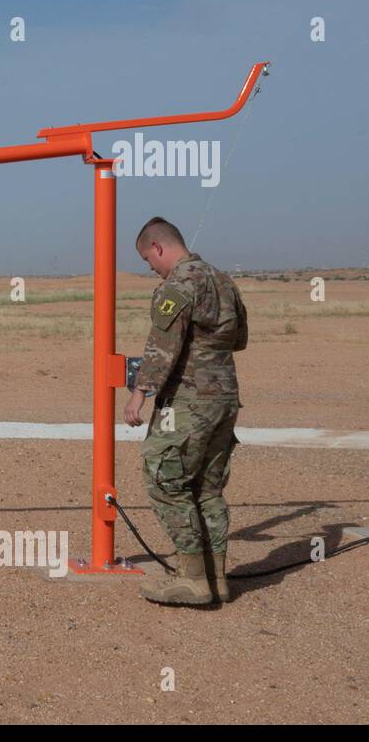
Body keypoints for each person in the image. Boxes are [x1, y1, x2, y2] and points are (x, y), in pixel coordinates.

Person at [123, 216, 248, 606]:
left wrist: (138, 395)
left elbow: (162, 347)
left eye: (148, 260)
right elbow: (240, 339)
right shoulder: (224, 281)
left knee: (164, 479)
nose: (151, 268)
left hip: (187, 401)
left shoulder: (176, 286)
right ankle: (216, 577)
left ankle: (191, 579)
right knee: (208, 489)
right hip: (225, 396)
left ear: (159, 247)